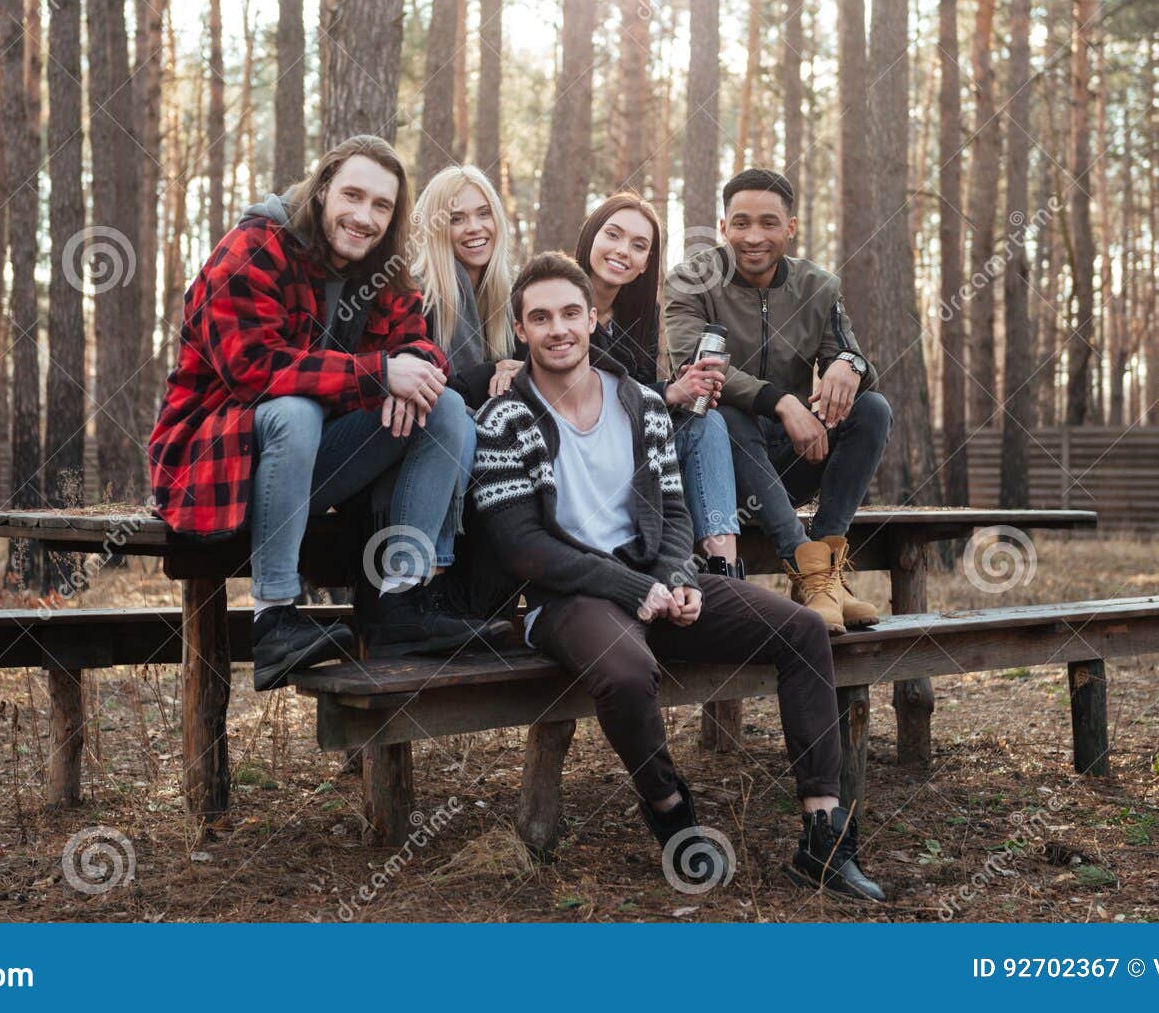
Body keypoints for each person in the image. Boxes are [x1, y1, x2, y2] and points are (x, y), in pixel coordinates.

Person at [471, 252, 885, 901]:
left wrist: (681, 577)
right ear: (520, 330)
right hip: (570, 601)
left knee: (804, 630)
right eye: (541, 317)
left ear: (590, 319)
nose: (558, 329)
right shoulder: (504, 421)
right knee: (627, 672)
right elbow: (525, 549)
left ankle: (823, 836)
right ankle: (670, 810)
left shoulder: (636, 401)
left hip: (656, 584)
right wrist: (639, 590)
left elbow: (670, 507)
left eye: (571, 314)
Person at [149, 135, 493, 692]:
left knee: (445, 406)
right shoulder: (254, 247)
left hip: (312, 465)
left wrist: (409, 373)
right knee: (295, 411)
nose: (364, 217)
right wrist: (380, 374)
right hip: (219, 453)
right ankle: (274, 618)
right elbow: (253, 369)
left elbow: (423, 348)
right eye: (352, 196)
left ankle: (396, 604)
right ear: (323, 187)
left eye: (381, 205)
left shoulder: (384, 267)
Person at [664, 168, 892, 635]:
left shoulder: (818, 286)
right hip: (721, 470)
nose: (754, 237)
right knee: (725, 412)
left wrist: (849, 364)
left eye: (768, 223)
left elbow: (852, 360)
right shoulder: (691, 281)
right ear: (723, 226)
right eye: (741, 223)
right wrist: (783, 402)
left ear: (790, 227)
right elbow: (699, 369)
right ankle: (806, 566)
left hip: (789, 465)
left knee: (873, 410)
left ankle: (826, 559)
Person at [572, 193, 742, 573]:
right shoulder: (561, 299)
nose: (622, 251)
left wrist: (678, 388)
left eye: (638, 246)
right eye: (612, 235)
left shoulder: (640, 313)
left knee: (707, 422)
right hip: (579, 451)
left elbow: (641, 388)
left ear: (646, 263)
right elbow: (580, 390)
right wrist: (668, 392)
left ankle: (724, 569)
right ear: (591, 237)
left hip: (634, 448)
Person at [409, 165, 523, 409]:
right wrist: (490, 373)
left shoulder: (507, 297)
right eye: (456, 219)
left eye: (484, 213)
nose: (474, 227)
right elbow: (433, 399)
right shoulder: (418, 297)